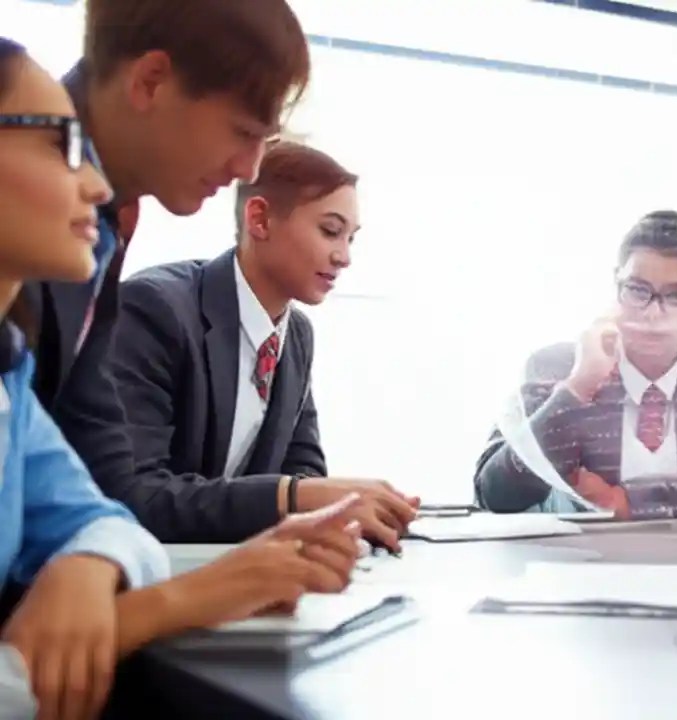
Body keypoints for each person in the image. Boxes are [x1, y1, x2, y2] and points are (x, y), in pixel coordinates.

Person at [0, 37, 362, 720]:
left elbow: (101, 515)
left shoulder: (10, 377)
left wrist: (92, 560)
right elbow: (132, 493)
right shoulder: (157, 305)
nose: (100, 189)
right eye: (59, 146)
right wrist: (176, 602)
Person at [27, 0, 413, 548]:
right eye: (241, 131)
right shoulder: (53, 209)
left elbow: (86, 480)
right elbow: (117, 490)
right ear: (152, 81)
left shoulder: (106, 219)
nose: (249, 169)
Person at [78, 141, 419, 548]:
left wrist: (343, 514)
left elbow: (303, 467)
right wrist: (295, 498)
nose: (344, 256)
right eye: (330, 231)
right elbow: (137, 495)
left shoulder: (296, 335)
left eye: (351, 237)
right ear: (259, 219)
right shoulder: (156, 309)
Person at [474, 211, 677, 519]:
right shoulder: (557, 365)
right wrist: (578, 388)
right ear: (616, 284)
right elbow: (493, 494)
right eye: (637, 290)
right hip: (580, 562)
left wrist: (628, 502)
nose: (652, 314)